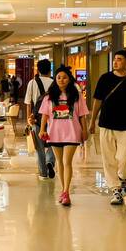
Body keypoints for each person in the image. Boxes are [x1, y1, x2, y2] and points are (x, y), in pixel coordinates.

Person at [88, 50, 126, 206]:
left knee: (125, 158)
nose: (115, 62)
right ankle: (116, 190)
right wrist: (92, 120)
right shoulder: (105, 79)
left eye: (119, 59)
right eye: (114, 59)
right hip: (106, 124)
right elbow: (97, 101)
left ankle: (122, 178)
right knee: (108, 159)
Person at [38, 65, 88, 207]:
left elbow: (83, 115)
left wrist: (85, 130)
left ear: (69, 79)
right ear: (55, 79)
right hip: (54, 133)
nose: (61, 80)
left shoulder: (76, 96)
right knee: (59, 162)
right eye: (59, 77)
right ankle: (63, 190)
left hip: (72, 133)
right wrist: (42, 130)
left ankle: (66, 192)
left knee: (67, 162)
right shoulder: (49, 97)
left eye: (64, 77)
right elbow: (44, 115)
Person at [24, 59, 56, 180]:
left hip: (37, 118)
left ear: (38, 70)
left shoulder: (32, 83)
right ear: (50, 69)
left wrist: (29, 118)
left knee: (39, 147)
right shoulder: (55, 82)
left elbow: (28, 103)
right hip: (53, 118)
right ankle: (50, 161)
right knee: (53, 143)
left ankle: (43, 173)